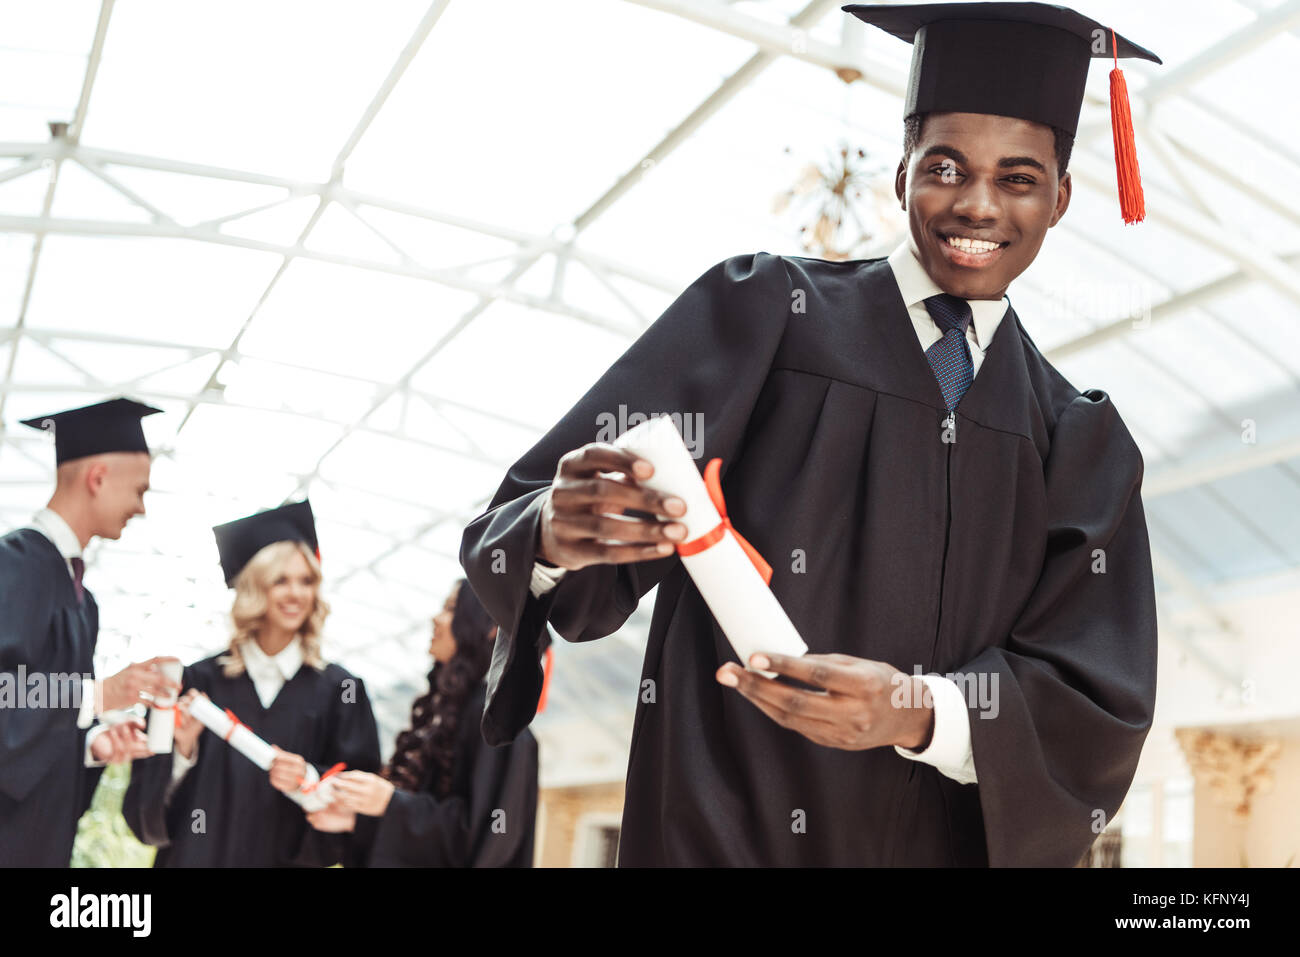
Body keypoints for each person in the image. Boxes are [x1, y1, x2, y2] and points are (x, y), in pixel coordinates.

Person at [460, 3, 1161, 866]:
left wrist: (914, 710)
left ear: (1059, 198)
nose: (977, 204)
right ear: (901, 173)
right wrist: (560, 536)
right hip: (721, 838)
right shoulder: (761, 318)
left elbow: (1096, 705)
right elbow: (519, 522)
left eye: (1018, 178)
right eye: (946, 166)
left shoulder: (1077, 440)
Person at [122, 500, 381, 866]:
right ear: (254, 588)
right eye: (281, 581)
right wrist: (182, 751)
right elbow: (146, 813)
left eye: (306, 581)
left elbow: (361, 801)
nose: (297, 594)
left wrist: (309, 778)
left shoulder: (342, 693)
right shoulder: (195, 684)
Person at [1, 397, 182, 867]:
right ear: (97, 478)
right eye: (139, 490)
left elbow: (31, 735)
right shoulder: (11, 567)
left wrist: (90, 745)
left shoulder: (85, 602)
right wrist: (98, 695)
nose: (141, 509)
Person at [306, 578, 539, 867]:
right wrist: (360, 821)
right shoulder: (446, 714)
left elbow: (487, 841)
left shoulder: (498, 725)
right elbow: (424, 835)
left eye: (451, 609)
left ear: (493, 629)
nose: (436, 619)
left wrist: (391, 803)